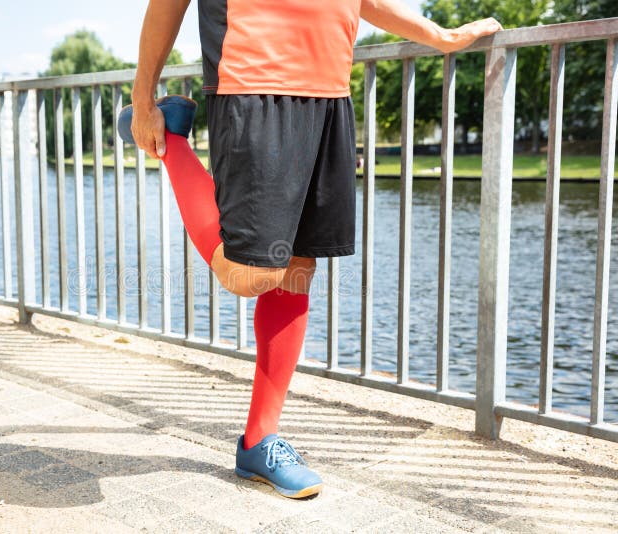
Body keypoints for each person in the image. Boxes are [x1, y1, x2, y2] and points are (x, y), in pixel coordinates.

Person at [122, 0, 502, 499]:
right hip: (253, 85)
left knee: (298, 268)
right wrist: (143, 100)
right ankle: (172, 140)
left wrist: (440, 36)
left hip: (329, 95)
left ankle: (260, 440)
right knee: (249, 274)